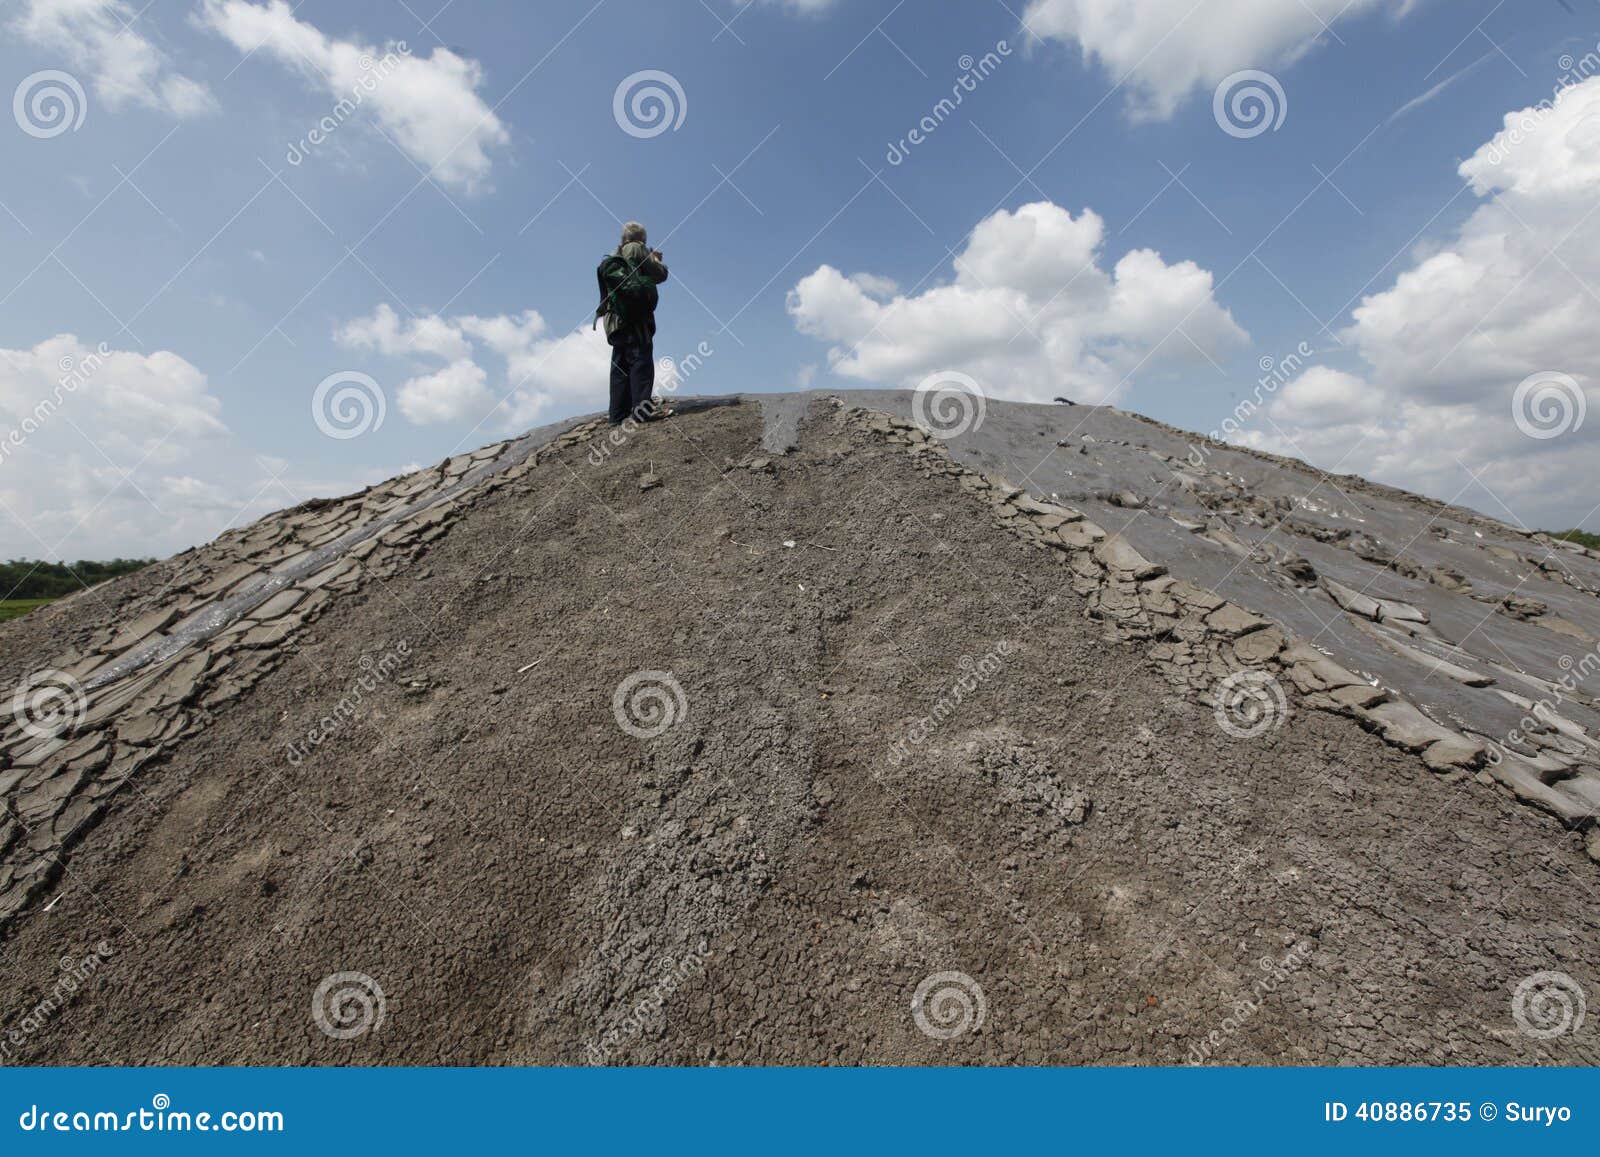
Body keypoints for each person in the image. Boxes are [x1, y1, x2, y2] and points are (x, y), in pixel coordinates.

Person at [598, 221, 669, 426]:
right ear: (642, 238)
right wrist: (656, 260)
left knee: (620, 366)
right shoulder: (637, 248)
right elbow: (659, 274)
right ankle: (642, 412)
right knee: (641, 362)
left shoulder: (615, 255)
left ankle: (617, 416)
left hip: (614, 320)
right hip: (634, 317)